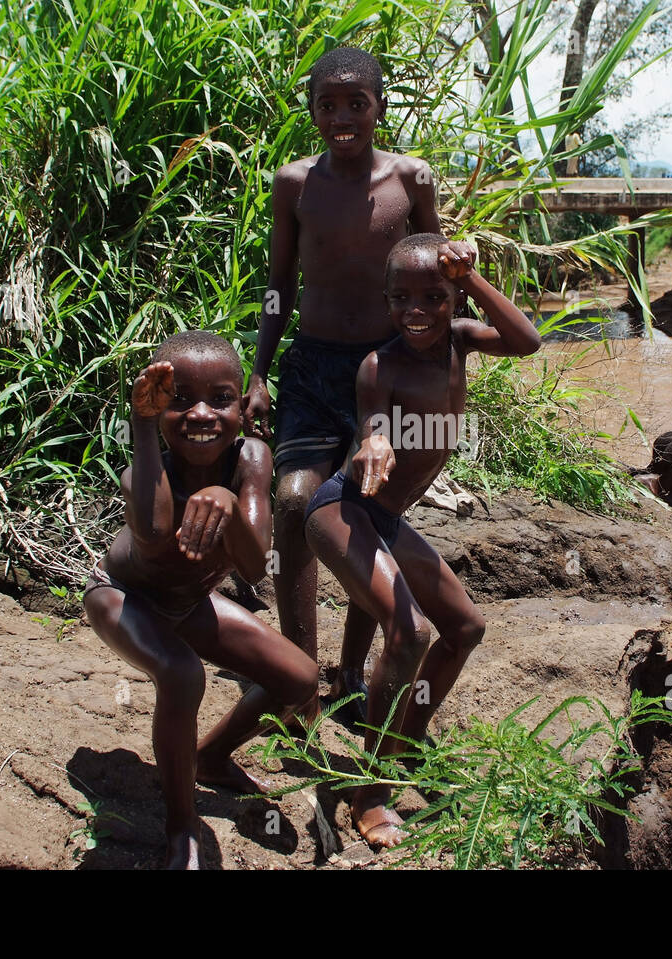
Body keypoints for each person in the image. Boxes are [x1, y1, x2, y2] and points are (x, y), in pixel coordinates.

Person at [242, 47, 469, 727]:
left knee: (367, 509)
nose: (341, 117)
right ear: (312, 111)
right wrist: (258, 369)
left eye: (356, 104)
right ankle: (298, 677)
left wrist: (446, 369)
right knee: (293, 501)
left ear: (379, 107)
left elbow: (439, 276)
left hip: (386, 369)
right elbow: (281, 283)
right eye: (327, 104)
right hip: (312, 367)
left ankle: (351, 672)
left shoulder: (409, 179)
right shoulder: (293, 183)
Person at [304, 233, 541, 848]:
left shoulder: (461, 340)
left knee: (465, 628)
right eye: (402, 298)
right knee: (410, 632)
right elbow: (375, 426)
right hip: (343, 511)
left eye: (434, 296)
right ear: (385, 302)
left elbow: (527, 341)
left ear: (453, 298)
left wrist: (472, 282)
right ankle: (371, 793)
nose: (418, 309)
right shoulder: (378, 366)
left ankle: (406, 738)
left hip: (385, 522)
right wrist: (374, 442)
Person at [83, 331, 319, 869]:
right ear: (158, 408)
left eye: (219, 398)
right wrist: (143, 427)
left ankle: (210, 757)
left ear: (244, 403)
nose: (201, 414)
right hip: (122, 598)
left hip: (187, 605)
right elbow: (151, 533)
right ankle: (181, 826)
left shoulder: (251, 459)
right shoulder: (146, 472)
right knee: (183, 674)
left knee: (301, 680)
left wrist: (229, 504)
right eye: (179, 399)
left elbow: (257, 564)